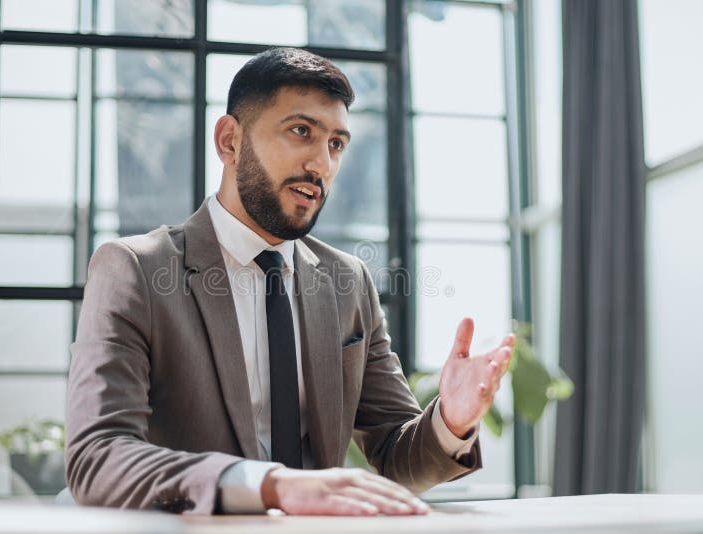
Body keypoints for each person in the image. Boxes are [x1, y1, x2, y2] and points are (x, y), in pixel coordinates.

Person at [65, 47, 513, 516]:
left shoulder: (347, 282)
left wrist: (450, 421)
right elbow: (97, 458)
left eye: (336, 144)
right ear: (229, 141)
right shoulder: (135, 269)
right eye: (302, 131)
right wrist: (270, 486)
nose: (322, 164)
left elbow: (397, 458)